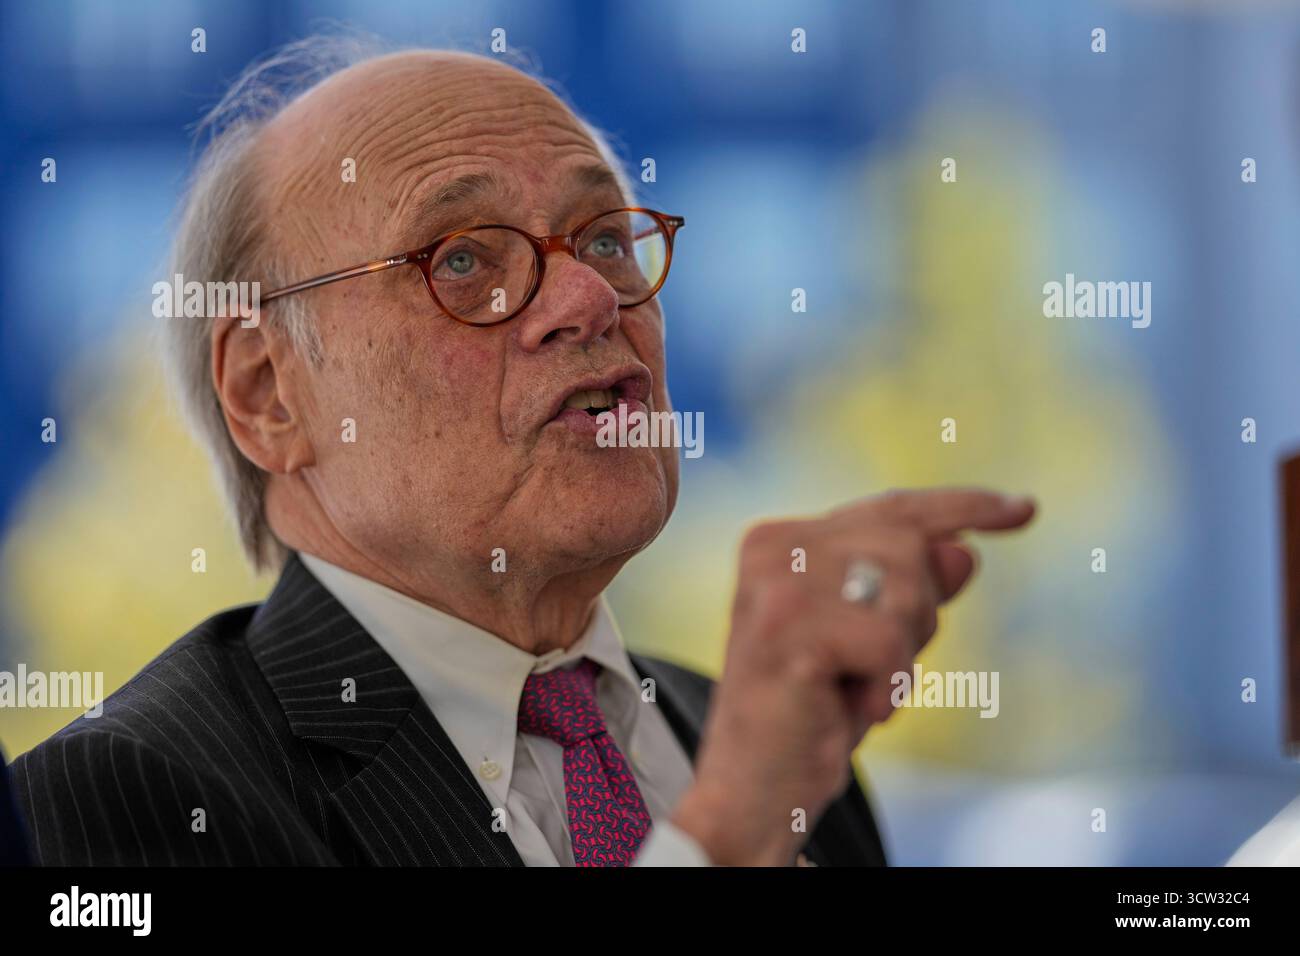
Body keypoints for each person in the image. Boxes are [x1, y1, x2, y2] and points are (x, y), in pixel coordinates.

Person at [8, 40, 1035, 866]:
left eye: (600, 239)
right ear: (269, 393)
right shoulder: (125, 794)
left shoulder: (759, 743)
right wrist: (723, 839)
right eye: (461, 259)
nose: (590, 299)